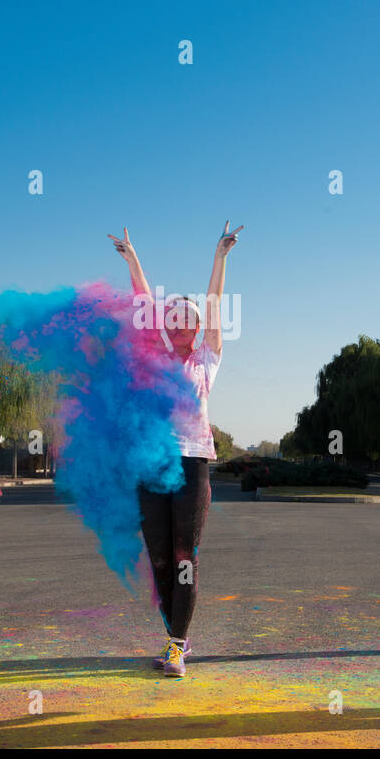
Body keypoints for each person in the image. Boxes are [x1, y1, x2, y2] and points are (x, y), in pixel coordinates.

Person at [108, 222, 242, 677]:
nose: (182, 321)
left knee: (186, 554)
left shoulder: (208, 359)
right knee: (160, 558)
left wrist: (219, 256)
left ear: (199, 327)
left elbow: (215, 303)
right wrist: (133, 259)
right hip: (151, 465)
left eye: (190, 318)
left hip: (192, 462)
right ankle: (174, 636)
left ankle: (177, 644)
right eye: (174, 317)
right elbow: (144, 301)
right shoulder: (154, 357)